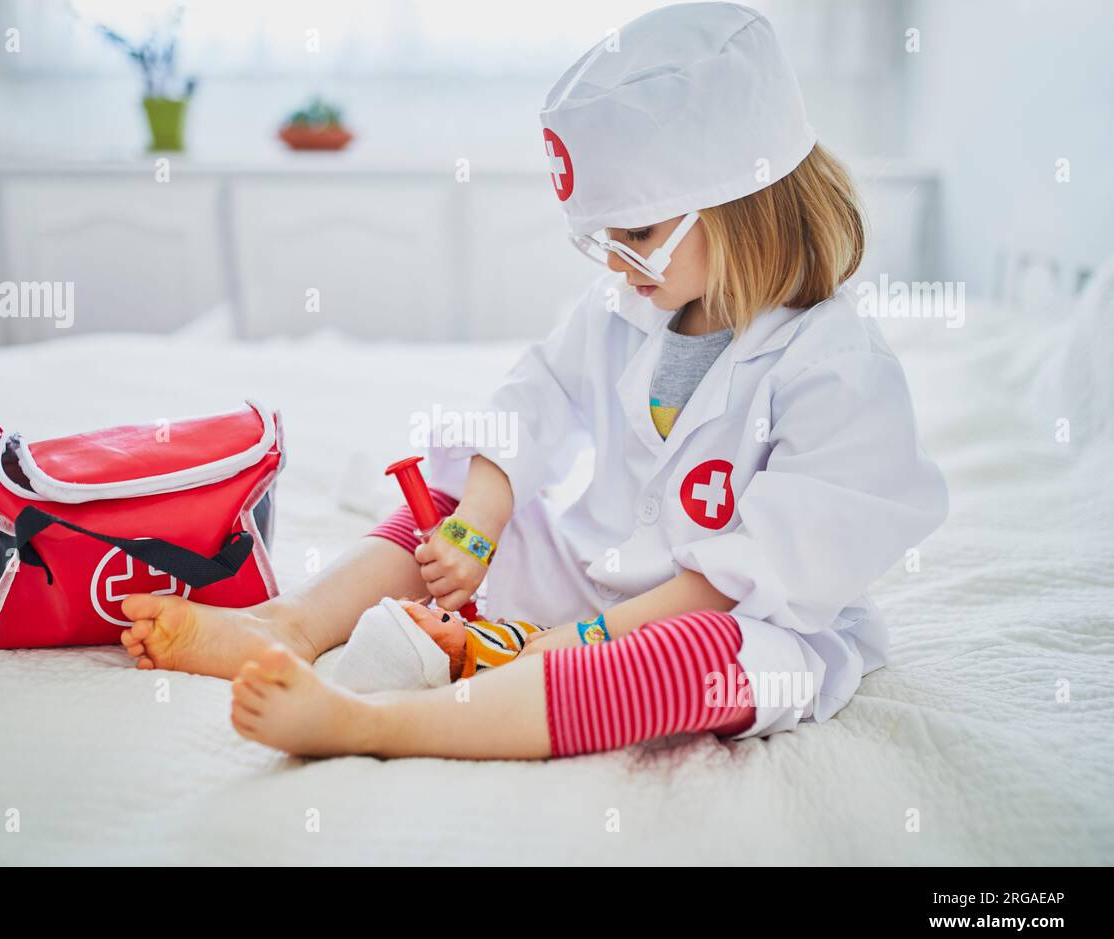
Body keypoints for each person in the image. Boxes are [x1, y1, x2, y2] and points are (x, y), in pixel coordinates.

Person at [119, 2, 948, 760]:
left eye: (635, 233)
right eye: (599, 239)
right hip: (597, 573)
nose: (616, 266)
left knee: (688, 666)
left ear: (742, 202)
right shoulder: (629, 305)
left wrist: (584, 643)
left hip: (736, 620)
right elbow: (534, 401)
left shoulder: (838, 373)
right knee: (443, 508)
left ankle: (376, 725)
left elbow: (750, 574)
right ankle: (288, 625)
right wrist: (481, 521)